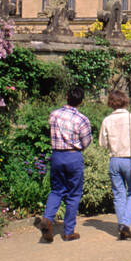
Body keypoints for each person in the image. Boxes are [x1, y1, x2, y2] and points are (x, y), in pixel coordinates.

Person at [41, 86, 92, 243]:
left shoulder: (54, 115)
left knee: (56, 190)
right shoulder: (82, 119)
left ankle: (48, 219)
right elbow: (86, 141)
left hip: (57, 155)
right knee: (73, 194)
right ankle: (68, 231)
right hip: (73, 156)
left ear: (66, 96)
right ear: (81, 101)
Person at [99, 89, 131, 240]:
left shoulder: (107, 120)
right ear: (125, 101)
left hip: (114, 160)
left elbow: (102, 144)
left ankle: (122, 226)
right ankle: (125, 224)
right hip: (129, 159)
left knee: (119, 195)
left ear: (111, 103)